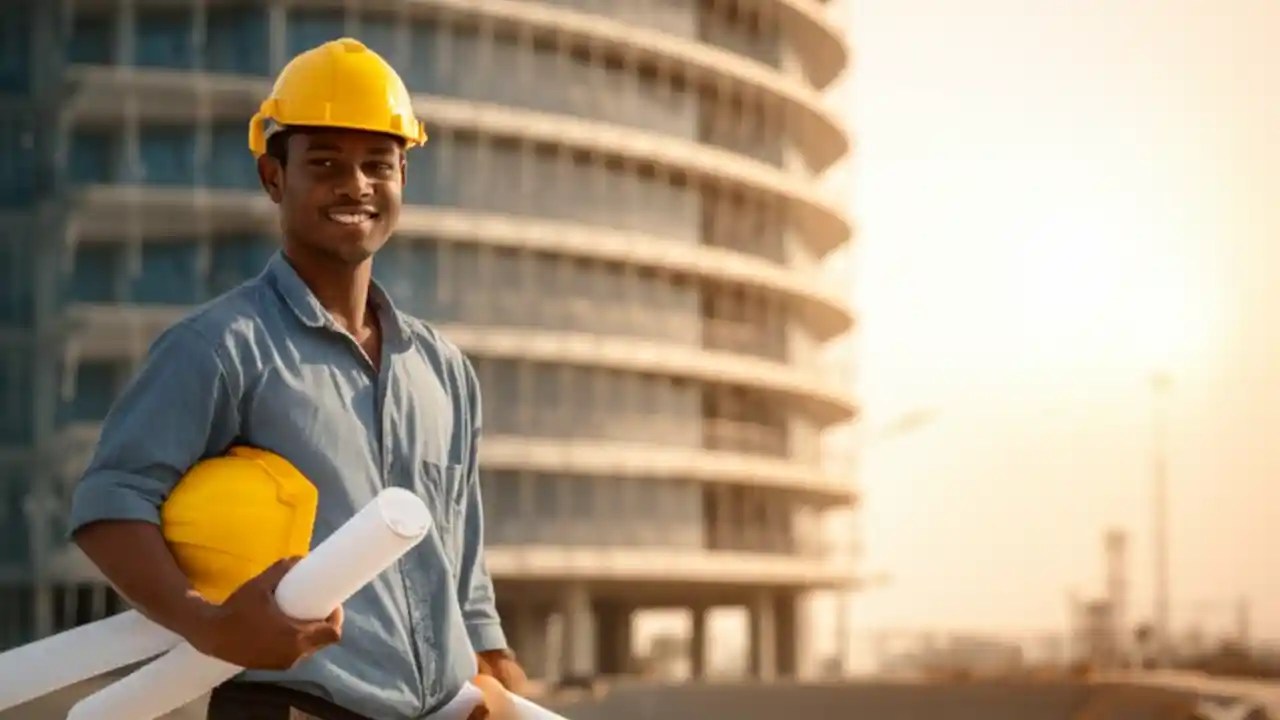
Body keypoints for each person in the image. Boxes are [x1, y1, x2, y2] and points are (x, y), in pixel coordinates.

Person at [66, 37, 525, 720]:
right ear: (273, 178)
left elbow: (464, 564)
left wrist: (502, 677)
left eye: (378, 164)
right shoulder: (218, 347)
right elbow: (110, 506)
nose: (357, 185)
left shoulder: (445, 371)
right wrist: (209, 622)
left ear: (404, 178)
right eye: (326, 163)